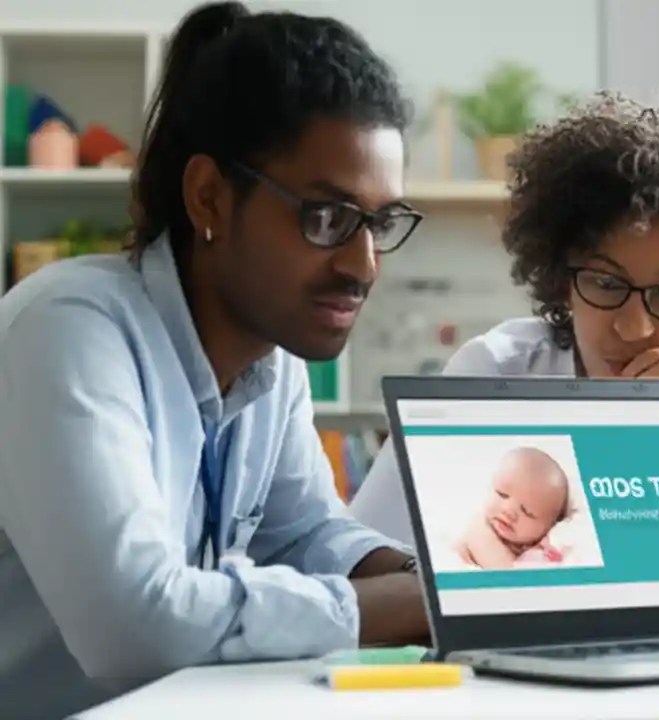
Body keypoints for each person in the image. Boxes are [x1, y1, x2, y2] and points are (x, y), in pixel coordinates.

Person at [0, 4, 430, 717]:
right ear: (210, 199)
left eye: (379, 224)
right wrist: (417, 602)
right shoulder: (69, 329)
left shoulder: (273, 360)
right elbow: (136, 624)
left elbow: (305, 534)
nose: (363, 266)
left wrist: (443, 580)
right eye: (326, 218)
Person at [351, 92, 659, 542]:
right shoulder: (496, 370)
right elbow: (368, 549)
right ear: (564, 279)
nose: (632, 326)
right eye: (605, 283)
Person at [454, 447, 570, 569]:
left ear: (548, 529)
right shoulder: (479, 526)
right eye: (502, 494)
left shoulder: (541, 554)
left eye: (527, 512)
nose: (508, 511)